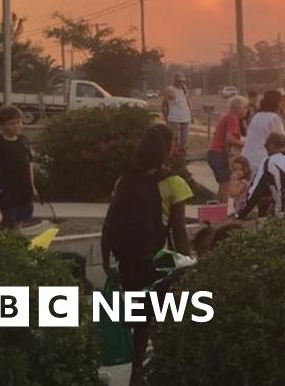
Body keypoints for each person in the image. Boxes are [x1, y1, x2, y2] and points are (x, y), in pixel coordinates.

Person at [101, 124, 192, 386]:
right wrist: (186, 263)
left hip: (128, 259)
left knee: (138, 319)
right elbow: (179, 231)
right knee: (164, 318)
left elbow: (111, 220)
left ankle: (135, 372)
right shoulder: (174, 183)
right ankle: (156, 371)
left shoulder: (125, 180)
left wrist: (108, 260)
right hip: (158, 259)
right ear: (168, 149)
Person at [0, 105, 39, 233]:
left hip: (23, 191)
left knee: (20, 221)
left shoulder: (23, 141)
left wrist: (32, 186)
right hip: (5, 193)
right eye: (12, 123)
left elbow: (29, 164)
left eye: (19, 122)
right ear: (2, 125)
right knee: (4, 223)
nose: (17, 126)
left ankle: (17, 243)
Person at [208, 96, 247, 203]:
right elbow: (229, 138)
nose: (246, 110)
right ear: (238, 107)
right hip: (219, 153)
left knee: (223, 183)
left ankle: (221, 209)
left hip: (214, 153)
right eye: (244, 107)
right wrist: (244, 144)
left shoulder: (226, 117)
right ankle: (222, 210)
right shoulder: (232, 118)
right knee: (225, 184)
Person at [241, 89, 285, 176]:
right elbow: (281, 142)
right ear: (277, 103)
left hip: (247, 156)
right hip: (261, 159)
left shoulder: (257, 116)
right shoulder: (274, 118)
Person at [162, 74, 193, 151]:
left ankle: (183, 155)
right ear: (175, 80)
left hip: (185, 118)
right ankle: (175, 157)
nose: (181, 82)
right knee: (176, 140)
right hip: (174, 119)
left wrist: (190, 114)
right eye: (179, 81)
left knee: (184, 140)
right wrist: (166, 118)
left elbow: (187, 102)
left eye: (182, 81)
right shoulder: (169, 90)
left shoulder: (184, 89)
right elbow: (164, 105)